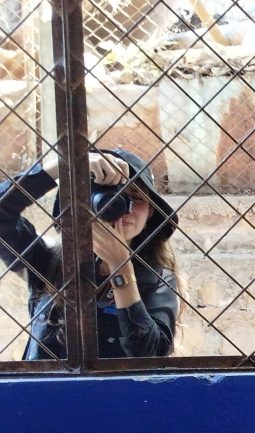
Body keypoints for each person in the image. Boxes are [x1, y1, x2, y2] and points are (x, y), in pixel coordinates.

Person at [0, 149, 180, 360]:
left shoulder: (157, 279)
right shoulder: (50, 261)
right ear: (80, 206)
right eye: (109, 197)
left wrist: (120, 266)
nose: (123, 208)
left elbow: (151, 356)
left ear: (151, 211)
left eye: (135, 197)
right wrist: (63, 166)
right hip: (45, 391)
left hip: (113, 393)